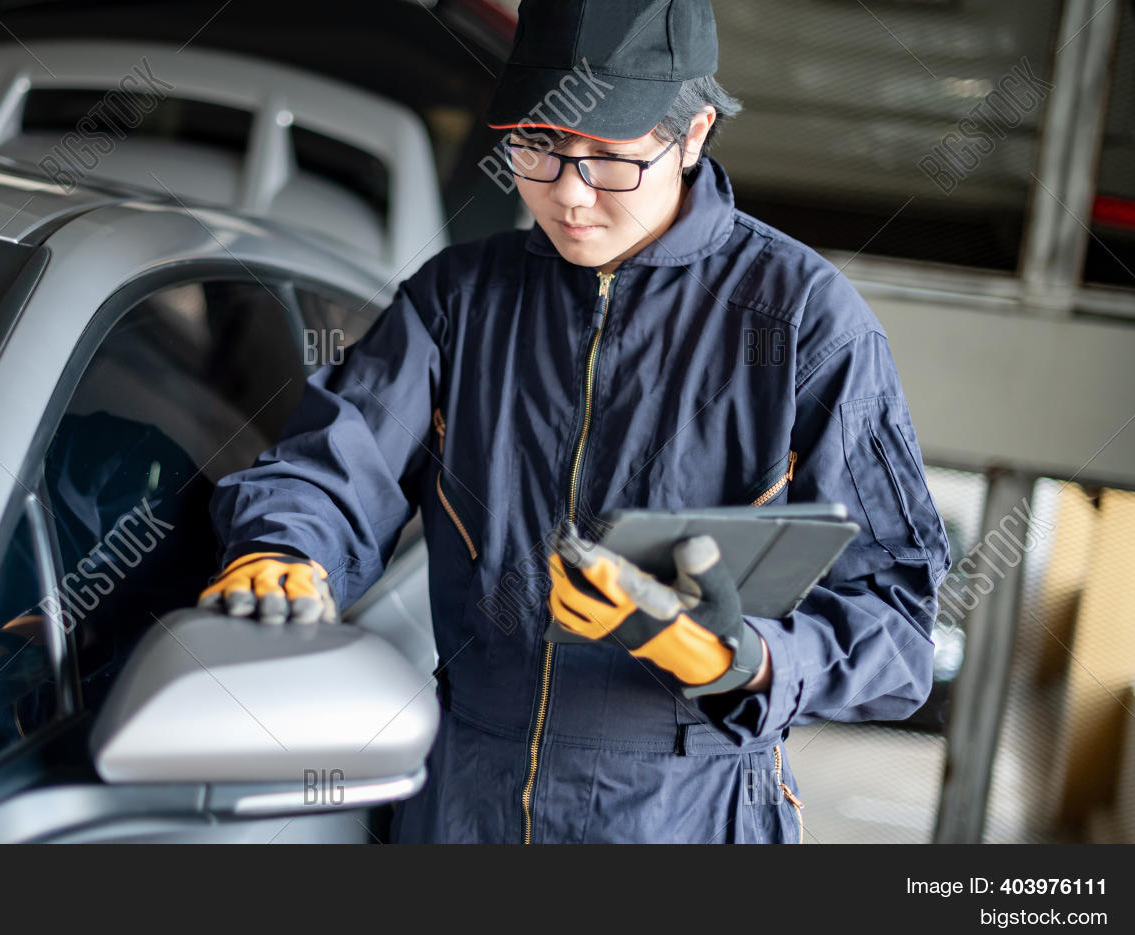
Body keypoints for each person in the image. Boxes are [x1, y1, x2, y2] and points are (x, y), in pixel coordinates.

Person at [198, 0, 951, 843]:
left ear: (694, 133)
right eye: (539, 147)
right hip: (463, 801)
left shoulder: (804, 323)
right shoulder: (459, 298)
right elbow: (340, 459)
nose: (568, 195)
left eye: (609, 159)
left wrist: (739, 657)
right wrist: (284, 547)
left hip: (683, 814)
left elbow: (895, 626)